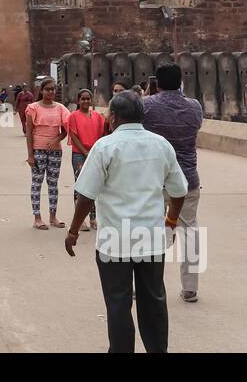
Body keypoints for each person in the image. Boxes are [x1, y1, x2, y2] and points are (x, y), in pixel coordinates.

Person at [65, 91, 187, 353]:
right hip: (151, 238)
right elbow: (179, 191)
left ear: (113, 118)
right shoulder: (161, 145)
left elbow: (86, 196)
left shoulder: (105, 146)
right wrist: (171, 221)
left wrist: (73, 231)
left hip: (114, 240)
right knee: (153, 299)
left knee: (118, 303)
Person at [142, 64, 204, 302]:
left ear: (157, 83)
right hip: (188, 178)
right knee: (190, 231)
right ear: (181, 82)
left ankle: (147, 283)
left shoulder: (146, 105)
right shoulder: (194, 107)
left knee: (149, 229)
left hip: (155, 179)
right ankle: (190, 287)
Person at [25, 78, 69, 230]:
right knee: (37, 183)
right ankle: (37, 217)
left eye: (53, 89)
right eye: (48, 89)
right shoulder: (32, 108)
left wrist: (57, 139)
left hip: (55, 152)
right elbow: (29, 132)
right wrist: (30, 155)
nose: (51, 91)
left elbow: (66, 130)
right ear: (41, 90)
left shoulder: (61, 108)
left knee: (53, 184)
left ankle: (53, 216)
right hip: (38, 150)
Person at [67, 88, 105, 232]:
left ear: (91, 100)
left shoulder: (98, 116)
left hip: (95, 153)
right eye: (82, 99)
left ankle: (93, 218)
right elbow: (74, 136)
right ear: (78, 100)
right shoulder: (73, 116)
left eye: (88, 98)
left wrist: (94, 152)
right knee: (81, 184)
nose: (85, 101)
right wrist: (85, 152)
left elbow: (102, 134)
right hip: (79, 154)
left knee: (94, 185)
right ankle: (81, 220)